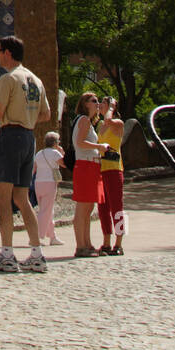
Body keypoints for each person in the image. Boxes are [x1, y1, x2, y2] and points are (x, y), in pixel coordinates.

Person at [0, 35, 50, 274]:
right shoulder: (36, 80)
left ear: (8, 53)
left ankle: (7, 254)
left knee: (3, 197)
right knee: (22, 198)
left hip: (10, 136)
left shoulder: (8, 79)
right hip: (29, 138)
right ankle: (36, 254)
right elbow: (46, 115)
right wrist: (27, 119)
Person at [71, 91, 108, 257]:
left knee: (88, 207)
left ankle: (87, 243)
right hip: (85, 165)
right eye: (94, 100)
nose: (97, 103)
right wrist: (99, 147)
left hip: (90, 165)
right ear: (85, 104)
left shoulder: (88, 122)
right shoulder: (84, 120)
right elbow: (80, 143)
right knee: (83, 207)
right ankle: (81, 245)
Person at [97, 96, 126, 255]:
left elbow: (109, 120)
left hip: (114, 169)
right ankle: (106, 242)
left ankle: (119, 243)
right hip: (102, 169)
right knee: (103, 208)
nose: (100, 105)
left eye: (103, 102)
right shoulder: (100, 125)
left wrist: (111, 108)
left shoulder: (117, 123)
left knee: (117, 206)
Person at [33, 130, 65, 246]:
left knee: (47, 210)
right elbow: (64, 164)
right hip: (49, 183)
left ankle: (52, 236)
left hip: (38, 183)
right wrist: (62, 152)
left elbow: (34, 169)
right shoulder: (55, 153)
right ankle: (37, 237)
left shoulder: (39, 153)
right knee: (45, 211)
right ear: (55, 143)